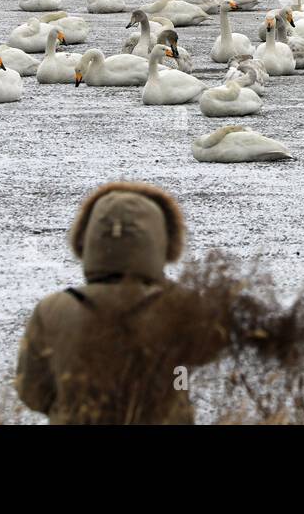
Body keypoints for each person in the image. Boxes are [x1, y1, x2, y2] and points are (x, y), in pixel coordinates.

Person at [16, 181, 218, 424]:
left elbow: (32, 392)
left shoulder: (52, 310)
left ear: (86, 240)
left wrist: (71, 406)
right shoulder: (177, 306)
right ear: (162, 242)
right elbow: (207, 352)